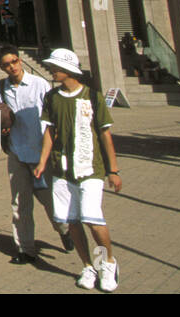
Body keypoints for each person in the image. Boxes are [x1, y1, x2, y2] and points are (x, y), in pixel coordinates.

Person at [33, 47, 122, 292]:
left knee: (92, 219)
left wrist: (113, 170)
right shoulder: (52, 97)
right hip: (62, 169)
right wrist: (42, 161)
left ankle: (108, 263)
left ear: (68, 70)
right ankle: (87, 265)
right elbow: (50, 132)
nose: (51, 71)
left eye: (55, 68)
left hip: (90, 168)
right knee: (72, 221)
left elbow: (105, 134)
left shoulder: (93, 97)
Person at [0, 44, 72, 263]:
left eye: (14, 62)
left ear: (20, 60)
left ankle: (65, 230)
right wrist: (2, 128)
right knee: (20, 204)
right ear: (1, 67)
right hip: (17, 152)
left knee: (50, 202)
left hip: (41, 153)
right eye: (6, 65)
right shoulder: (2, 87)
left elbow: (52, 118)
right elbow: (1, 115)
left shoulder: (40, 85)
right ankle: (25, 250)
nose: (12, 67)